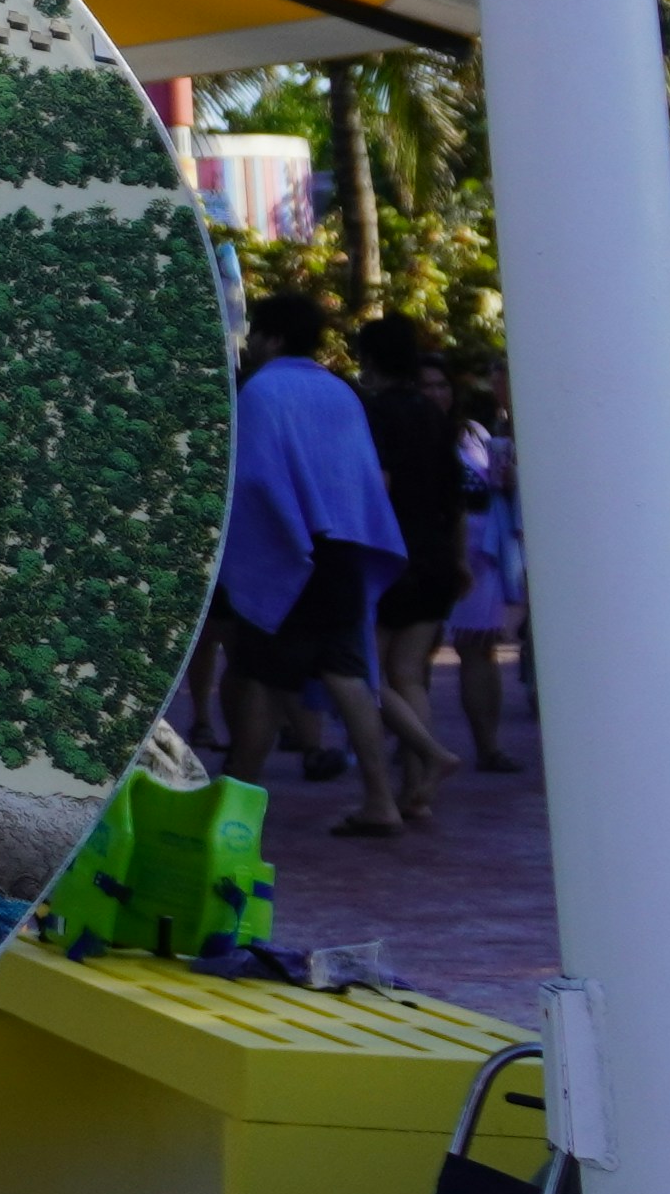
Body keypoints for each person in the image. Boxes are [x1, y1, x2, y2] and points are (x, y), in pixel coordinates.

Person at [217, 279, 430, 837]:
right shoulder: (341, 392)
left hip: (289, 551)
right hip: (344, 551)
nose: (250, 342)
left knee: (263, 679)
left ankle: (235, 801)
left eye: (256, 333)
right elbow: (361, 477)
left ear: (273, 337)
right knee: (347, 675)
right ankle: (380, 798)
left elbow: (255, 481)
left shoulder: (261, 393)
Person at [356, 315, 476, 812]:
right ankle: (418, 790)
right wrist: (459, 558)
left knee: (368, 672)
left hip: (391, 558)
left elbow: (378, 485)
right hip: (436, 556)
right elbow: (455, 497)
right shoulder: (434, 415)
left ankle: (428, 757)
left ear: (370, 359)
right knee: (408, 673)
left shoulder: (375, 412)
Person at [441, 353, 531, 772]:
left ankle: (487, 746)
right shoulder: (418, 432)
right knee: (412, 653)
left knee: (479, 646)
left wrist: (511, 479)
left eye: (441, 384)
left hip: (480, 549)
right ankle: (412, 743)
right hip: (434, 547)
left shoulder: (474, 434)